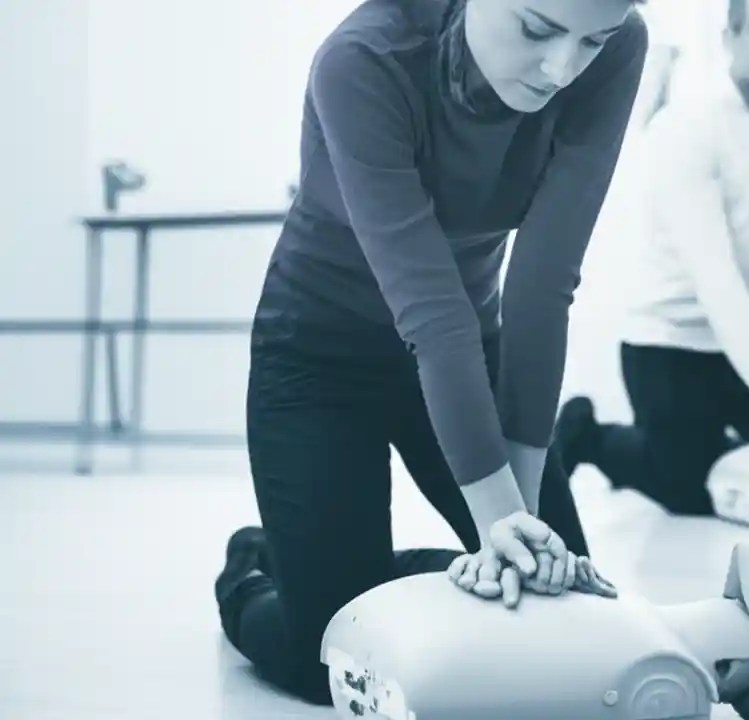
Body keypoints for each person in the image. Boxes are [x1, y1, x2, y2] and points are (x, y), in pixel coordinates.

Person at [213, 0, 647, 705]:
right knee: (330, 658)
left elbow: (541, 288)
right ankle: (255, 567)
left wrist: (521, 528)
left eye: (591, 41)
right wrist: (502, 525)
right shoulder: (362, 61)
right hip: (318, 361)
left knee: (560, 611)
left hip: (470, 355)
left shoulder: (618, 47)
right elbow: (432, 313)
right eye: (536, 29)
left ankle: (345, 564)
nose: (563, 68)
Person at [553, 0, 749, 517]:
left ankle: (727, 441)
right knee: (692, 489)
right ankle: (587, 434)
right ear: (731, 36)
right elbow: (714, 274)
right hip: (666, 345)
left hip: (746, 349)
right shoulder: (686, 129)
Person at [319, 538, 749, 719]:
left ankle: (246, 576)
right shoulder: (642, 633)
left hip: (397, 636)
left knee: (293, 624)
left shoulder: (667, 683)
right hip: (402, 616)